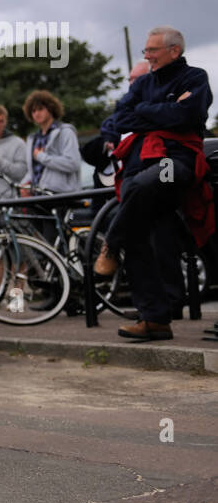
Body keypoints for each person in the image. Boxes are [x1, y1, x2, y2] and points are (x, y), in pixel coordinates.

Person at [96, 26, 213, 340]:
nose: (146, 55)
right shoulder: (144, 82)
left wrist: (144, 112)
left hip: (174, 162)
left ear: (174, 51)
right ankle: (155, 319)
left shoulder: (195, 78)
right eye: (145, 50)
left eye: (152, 50)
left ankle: (111, 244)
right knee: (139, 228)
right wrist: (163, 111)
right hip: (142, 163)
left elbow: (186, 115)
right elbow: (119, 118)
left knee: (142, 186)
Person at [20, 90, 81, 195]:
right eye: (33, 111)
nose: (37, 113)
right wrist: (23, 184)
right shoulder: (32, 139)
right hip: (38, 197)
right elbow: (33, 171)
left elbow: (73, 163)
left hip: (61, 196)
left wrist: (41, 157)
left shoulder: (65, 132)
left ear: (51, 108)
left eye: (40, 109)